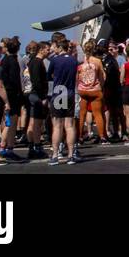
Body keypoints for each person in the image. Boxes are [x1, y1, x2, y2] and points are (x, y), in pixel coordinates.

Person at [47, 38, 80, 166]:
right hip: (70, 93)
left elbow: (49, 76)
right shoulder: (73, 60)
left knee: (57, 126)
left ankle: (55, 155)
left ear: (60, 48)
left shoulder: (54, 60)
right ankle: (71, 155)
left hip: (58, 92)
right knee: (70, 125)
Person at [76, 40, 107, 144]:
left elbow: (77, 76)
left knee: (82, 114)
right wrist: (100, 86)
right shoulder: (97, 61)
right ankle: (102, 136)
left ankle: (79, 136)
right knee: (98, 114)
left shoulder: (80, 61)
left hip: (82, 89)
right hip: (95, 90)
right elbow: (102, 77)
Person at [25, 41, 50, 159]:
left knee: (33, 122)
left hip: (34, 95)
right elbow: (37, 81)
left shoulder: (34, 62)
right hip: (37, 95)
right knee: (37, 123)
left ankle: (33, 146)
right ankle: (36, 146)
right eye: (47, 49)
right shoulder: (37, 62)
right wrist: (43, 97)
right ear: (41, 49)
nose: (48, 52)